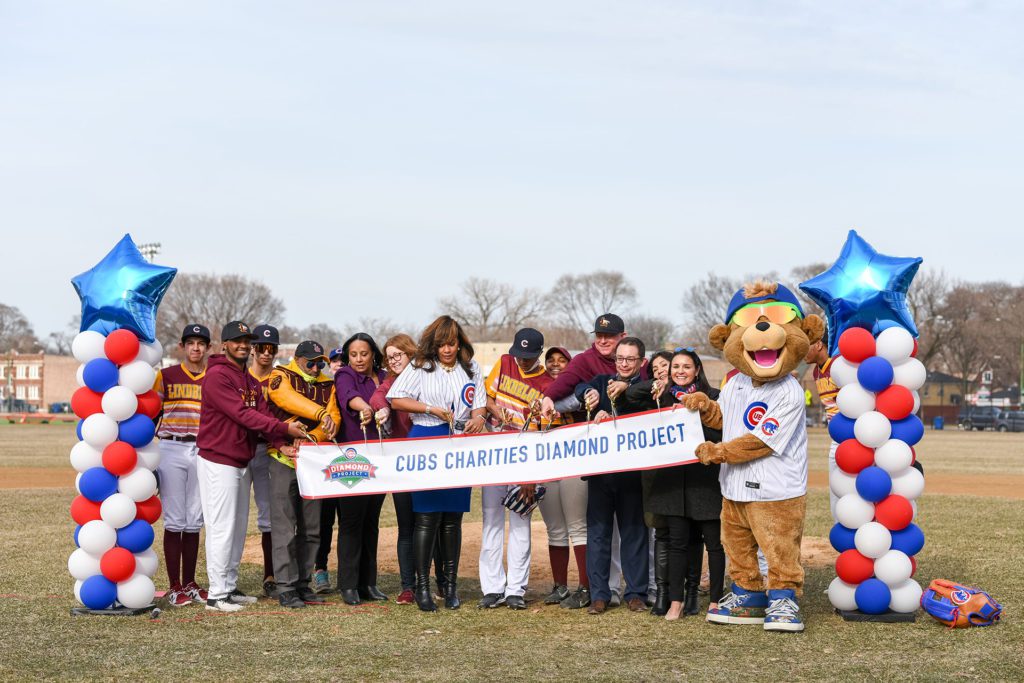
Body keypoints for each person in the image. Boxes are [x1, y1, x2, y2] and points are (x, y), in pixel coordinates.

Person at [196, 321, 306, 612]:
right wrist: (284, 428)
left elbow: (263, 414)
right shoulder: (217, 376)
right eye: (237, 340)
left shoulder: (249, 380)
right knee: (221, 527)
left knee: (237, 527)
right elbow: (243, 414)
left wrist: (279, 442)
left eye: (247, 341)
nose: (243, 345)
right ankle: (216, 595)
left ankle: (229, 587)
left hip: (238, 459)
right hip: (217, 459)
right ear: (225, 345)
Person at [387, 315, 487, 612]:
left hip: (459, 443)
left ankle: (451, 586)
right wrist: (431, 408)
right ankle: (422, 587)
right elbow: (396, 399)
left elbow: (479, 404)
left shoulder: (471, 368)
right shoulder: (420, 366)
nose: (447, 349)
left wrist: (479, 418)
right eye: (442, 344)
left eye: (452, 344)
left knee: (453, 518)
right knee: (426, 517)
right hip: (426, 440)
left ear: (459, 343)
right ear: (434, 344)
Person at [621, 348, 725, 620]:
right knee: (677, 543)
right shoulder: (661, 397)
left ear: (697, 370)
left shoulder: (713, 396)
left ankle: (715, 600)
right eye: (675, 366)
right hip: (672, 485)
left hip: (705, 482)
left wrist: (695, 415)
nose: (680, 371)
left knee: (713, 544)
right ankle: (676, 602)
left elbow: (720, 433)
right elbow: (631, 396)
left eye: (686, 366)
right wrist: (657, 383)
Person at [479, 327, 558, 610]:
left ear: (539, 354)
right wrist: (496, 411)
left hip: (526, 459)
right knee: (491, 521)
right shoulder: (504, 362)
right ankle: (492, 588)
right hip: (496, 454)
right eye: (519, 354)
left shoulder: (548, 383)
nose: (522, 360)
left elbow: (545, 433)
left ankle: (515, 590)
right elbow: (486, 399)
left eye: (529, 356)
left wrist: (532, 476)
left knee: (520, 522)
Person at [574, 336, 650, 614]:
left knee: (634, 533)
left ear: (642, 361)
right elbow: (579, 387)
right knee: (598, 534)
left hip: (632, 474)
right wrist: (588, 394)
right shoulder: (602, 382)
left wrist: (628, 389)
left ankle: (636, 593)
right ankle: (599, 594)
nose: (624, 364)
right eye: (620, 358)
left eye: (630, 359)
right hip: (601, 474)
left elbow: (650, 394)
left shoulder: (648, 387)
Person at [266, 340, 341, 609]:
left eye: (320, 363)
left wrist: (312, 438)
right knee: (285, 526)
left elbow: (334, 420)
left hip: (311, 460)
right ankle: (285, 586)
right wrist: (319, 413)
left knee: (312, 527)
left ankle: (303, 582)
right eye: (311, 362)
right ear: (297, 359)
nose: (316, 367)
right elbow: (285, 398)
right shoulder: (281, 375)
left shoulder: (328, 384)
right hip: (283, 459)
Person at [154, 323, 211, 607]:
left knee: (194, 519)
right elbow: (151, 413)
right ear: (182, 346)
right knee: (175, 519)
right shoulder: (165, 375)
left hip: (202, 447)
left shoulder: (214, 377)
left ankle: (189, 582)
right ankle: (174, 586)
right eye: (191, 343)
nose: (195, 348)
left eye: (200, 343)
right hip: (172, 445)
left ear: (208, 348)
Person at [332, 332, 388, 605]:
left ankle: (368, 583)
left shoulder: (384, 376)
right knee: (352, 522)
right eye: (353, 354)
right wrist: (366, 407)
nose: (358, 359)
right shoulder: (345, 374)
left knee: (371, 522)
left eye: (363, 354)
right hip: (352, 459)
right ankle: (348, 585)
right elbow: (349, 396)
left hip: (381, 458)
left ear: (373, 354)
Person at [370, 333, 420, 605]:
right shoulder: (390, 382)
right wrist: (383, 409)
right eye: (389, 357)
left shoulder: (426, 377)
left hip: (429, 461)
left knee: (430, 524)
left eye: (398, 355)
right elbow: (378, 397)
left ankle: (433, 582)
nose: (394, 361)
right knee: (406, 526)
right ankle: (408, 586)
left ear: (410, 353)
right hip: (402, 464)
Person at [248, 323, 279, 598]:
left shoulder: (280, 380)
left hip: (268, 449)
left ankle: (270, 574)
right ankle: (226, 579)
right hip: (240, 448)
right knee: (233, 515)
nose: (266, 353)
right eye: (261, 348)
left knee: (268, 514)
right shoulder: (240, 376)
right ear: (252, 349)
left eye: (271, 348)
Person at [313, 346, 346, 593]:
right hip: (324, 461)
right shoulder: (322, 388)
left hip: (349, 460)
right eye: (334, 361)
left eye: (343, 361)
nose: (338, 365)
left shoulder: (351, 388)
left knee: (348, 520)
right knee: (324, 520)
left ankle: (347, 572)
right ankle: (320, 569)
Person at [804, 330, 840, 516]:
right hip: (836, 437)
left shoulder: (838, 365)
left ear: (818, 344)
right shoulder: (816, 371)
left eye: (806, 344)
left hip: (854, 434)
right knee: (836, 488)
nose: (802, 350)